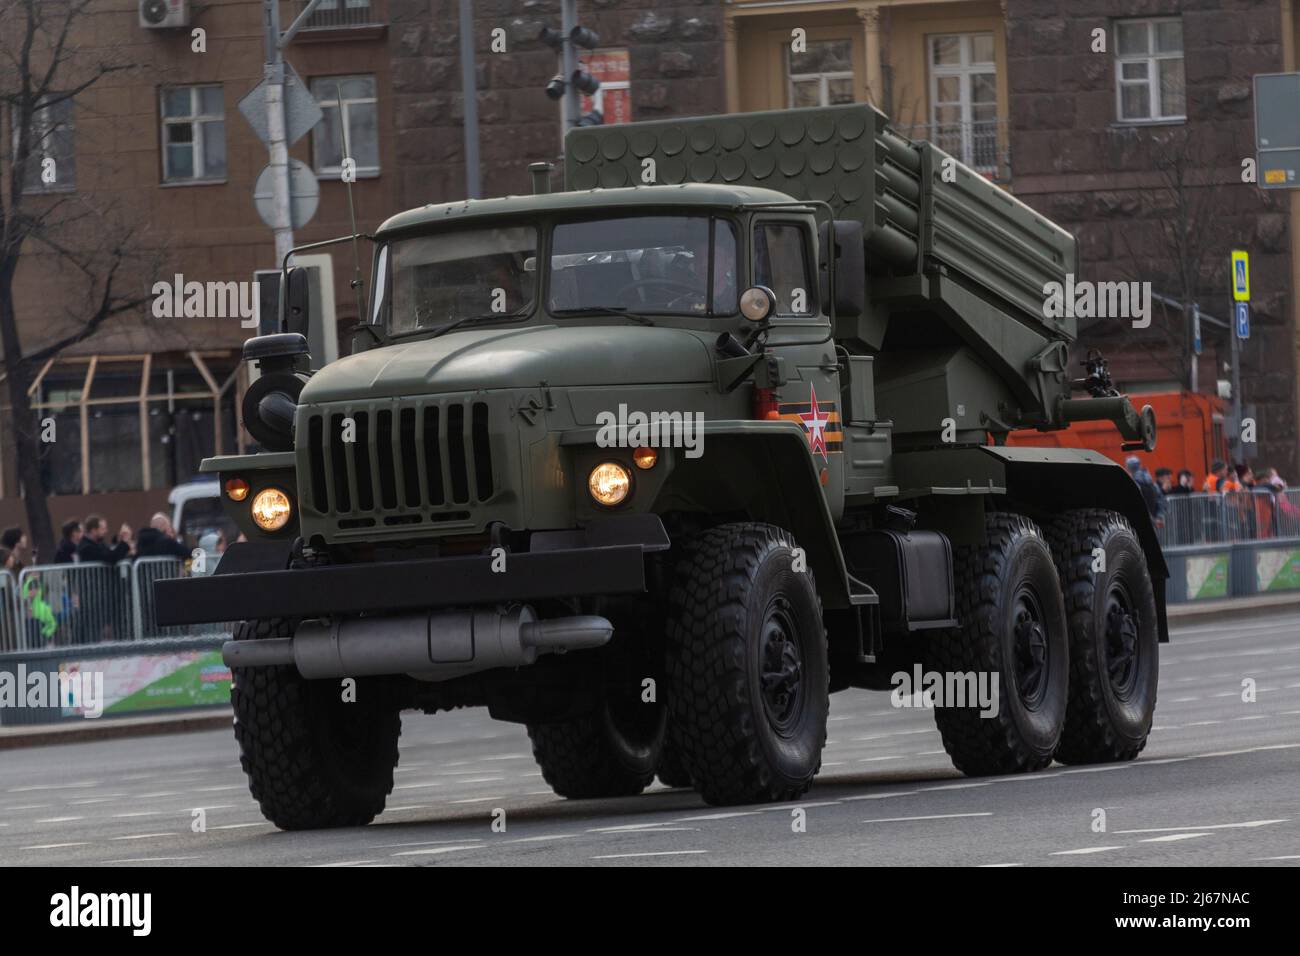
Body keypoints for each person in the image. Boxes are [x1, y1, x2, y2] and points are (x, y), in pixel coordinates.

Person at [1126, 455, 1165, 528]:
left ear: (1128, 468)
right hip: (1152, 522)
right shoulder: (1152, 483)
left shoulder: (1133, 484)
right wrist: (1159, 517)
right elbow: (1160, 500)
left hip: (1139, 523)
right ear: (1140, 465)